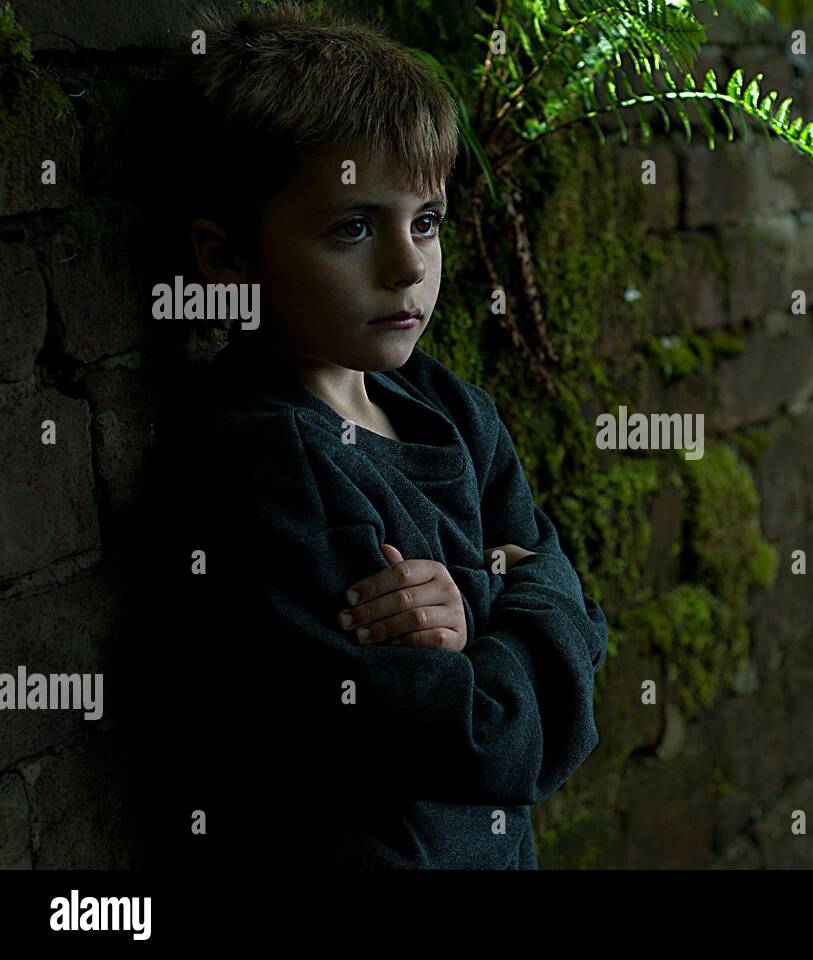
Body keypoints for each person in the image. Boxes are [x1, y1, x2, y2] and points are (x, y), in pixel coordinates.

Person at [130, 1, 608, 870]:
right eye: (354, 227)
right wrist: (529, 595)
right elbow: (486, 735)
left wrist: (480, 606)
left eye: (425, 220)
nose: (409, 266)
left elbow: (584, 606)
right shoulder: (269, 462)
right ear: (228, 258)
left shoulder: (454, 412)